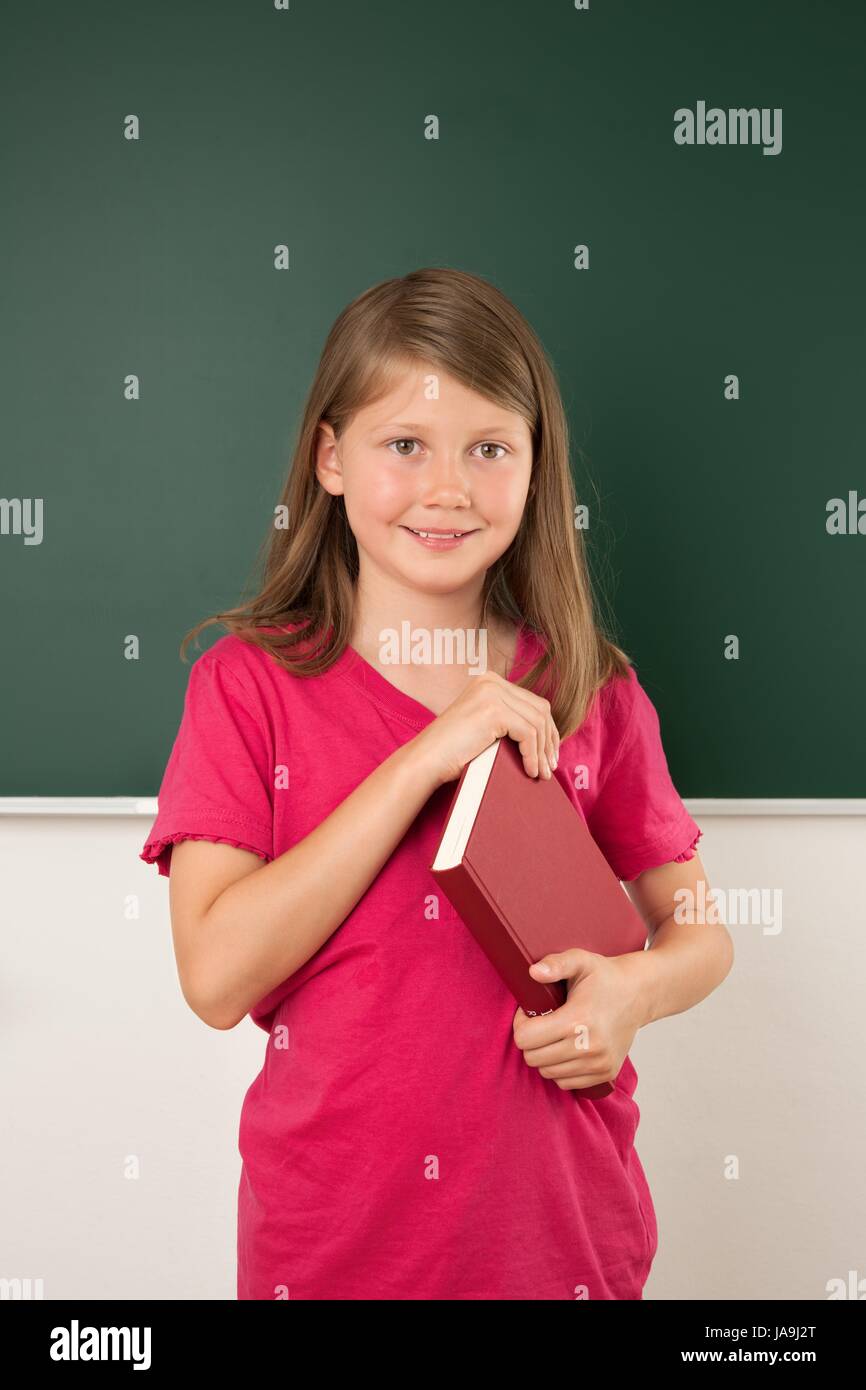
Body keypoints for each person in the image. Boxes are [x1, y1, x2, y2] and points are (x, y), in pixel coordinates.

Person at [140, 266, 734, 1300]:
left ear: (533, 466)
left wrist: (633, 991)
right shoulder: (247, 687)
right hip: (333, 1254)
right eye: (404, 444)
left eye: (488, 449)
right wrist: (423, 756)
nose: (447, 487)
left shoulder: (591, 687)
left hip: (563, 1249)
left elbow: (699, 929)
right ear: (330, 457)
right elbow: (215, 974)